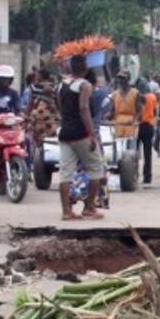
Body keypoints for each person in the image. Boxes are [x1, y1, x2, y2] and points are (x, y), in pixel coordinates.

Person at [56, 55, 105, 220]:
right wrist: (91, 134)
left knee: (65, 174)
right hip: (81, 133)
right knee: (96, 168)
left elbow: (60, 107)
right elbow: (84, 108)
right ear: (85, 68)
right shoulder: (85, 85)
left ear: (70, 68)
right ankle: (89, 207)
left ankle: (66, 212)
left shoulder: (61, 85)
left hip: (65, 133)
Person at [137, 80, 158, 185]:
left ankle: (134, 174)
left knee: (134, 152)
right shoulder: (152, 97)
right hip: (149, 126)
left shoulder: (137, 97)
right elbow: (154, 112)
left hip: (137, 126)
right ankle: (147, 177)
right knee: (147, 153)